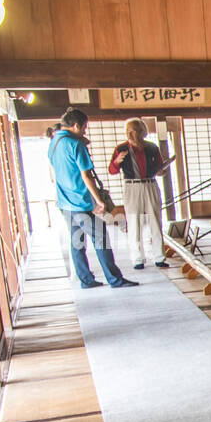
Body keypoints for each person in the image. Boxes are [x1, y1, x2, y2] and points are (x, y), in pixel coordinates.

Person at [48, 109, 136, 289]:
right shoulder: (76, 145)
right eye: (84, 127)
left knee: (77, 241)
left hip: (64, 201)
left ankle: (86, 280)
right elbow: (86, 176)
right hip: (80, 200)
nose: (85, 132)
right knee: (100, 236)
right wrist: (99, 201)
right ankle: (115, 279)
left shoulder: (54, 143)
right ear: (76, 126)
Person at [108, 118, 170, 270]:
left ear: (142, 132)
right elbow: (112, 171)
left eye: (133, 130)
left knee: (155, 220)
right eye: (127, 131)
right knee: (133, 222)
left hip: (150, 184)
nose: (130, 134)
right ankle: (137, 258)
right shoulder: (121, 148)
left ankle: (159, 257)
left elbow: (159, 169)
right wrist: (117, 161)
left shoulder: (152, 147)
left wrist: (162, 171)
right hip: (132, 186)